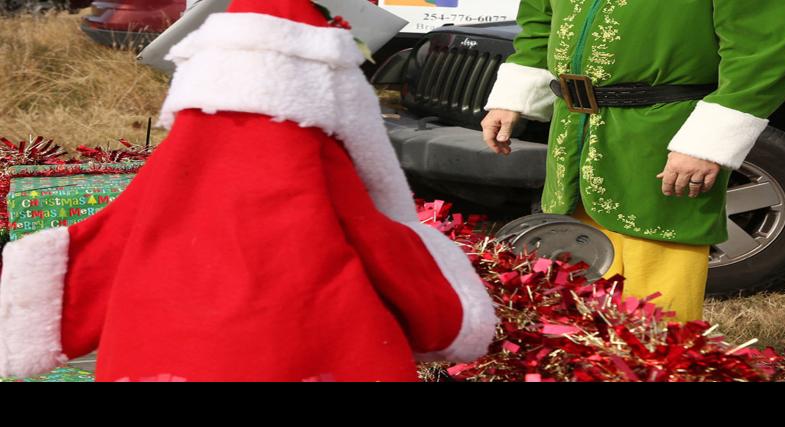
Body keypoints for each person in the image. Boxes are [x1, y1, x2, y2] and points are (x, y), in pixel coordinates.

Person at [0, 0, 496, 381]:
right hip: (310, 349)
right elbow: (383, 244)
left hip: (165, 354)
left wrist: (33, 325)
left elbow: (96, 252)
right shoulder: (318, 164)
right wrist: (449, 319)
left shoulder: (174, 163)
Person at [480, 0, 785, 323]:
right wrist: (512, 100)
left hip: (665, 133)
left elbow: (764, 54)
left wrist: (704, 144)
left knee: (658, 283)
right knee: (576, 273)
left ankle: (658, 365)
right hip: (574, 130)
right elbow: (540, 21)